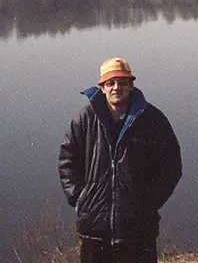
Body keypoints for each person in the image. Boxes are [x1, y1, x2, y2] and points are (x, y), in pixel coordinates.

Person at [58, 57, 182, 263]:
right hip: (95, 230)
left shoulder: (152, 119)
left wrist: (148, 203)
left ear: (131, 86)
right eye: (111, 83)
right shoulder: (85, 119)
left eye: (123, 82)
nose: (117, 87)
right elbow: (67, 160)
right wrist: (80, 198)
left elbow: (171, 166)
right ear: (102, 88)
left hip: (139, 229)